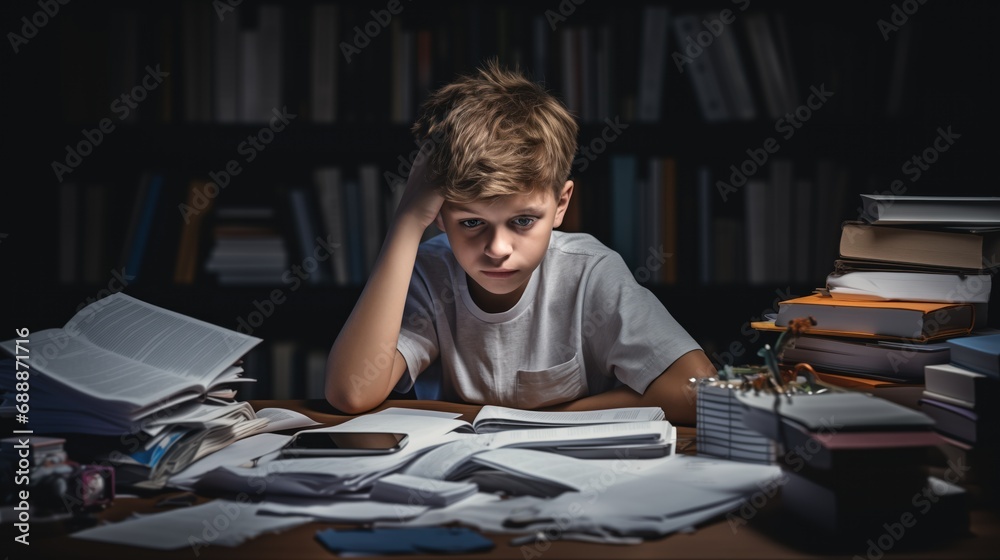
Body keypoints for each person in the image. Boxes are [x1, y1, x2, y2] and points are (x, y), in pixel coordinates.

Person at [325, 62, 715, 424]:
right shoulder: (429, 273)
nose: (498, 248)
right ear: (439, 214)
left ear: (560, 205)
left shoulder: (589, 272)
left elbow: (695, 390)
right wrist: (408, 222)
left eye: (523, 221)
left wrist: (544, 420)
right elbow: (351, 393)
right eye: (472, 222)